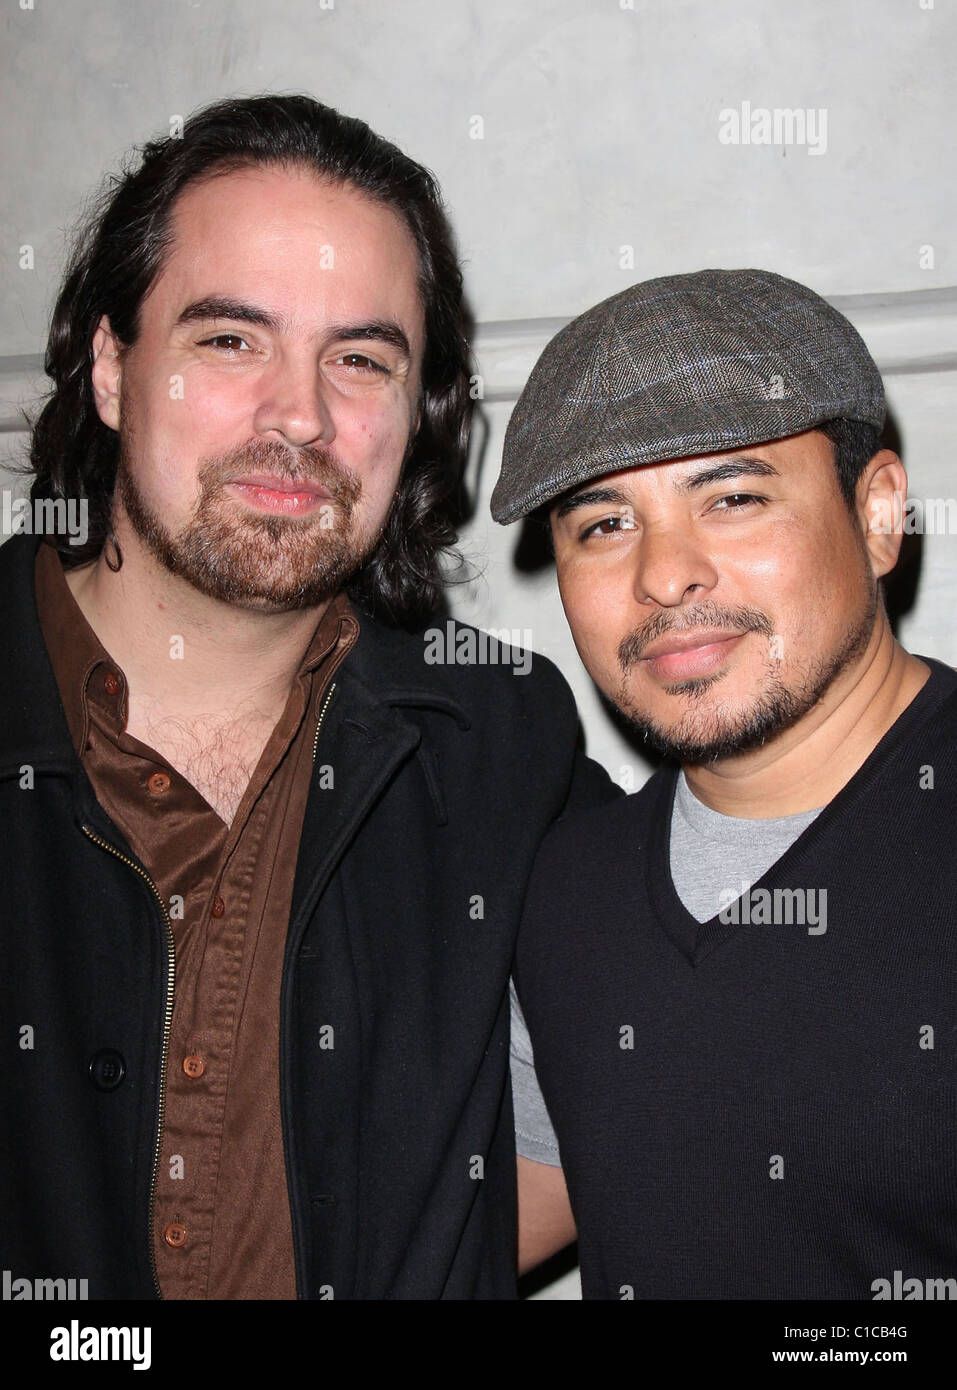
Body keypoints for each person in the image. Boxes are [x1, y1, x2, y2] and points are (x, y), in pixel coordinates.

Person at [0, 94, 613, 1301]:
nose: (301, 416)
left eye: (361, 358)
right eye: (231, 340)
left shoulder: (500, 742)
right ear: (116, 369)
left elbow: (721, 997)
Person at [494, 268, 957, 1299]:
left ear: (879, 514)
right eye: (604, 523)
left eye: (733, 496)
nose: (665, 574)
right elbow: (505, 1206)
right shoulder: (572, 882)